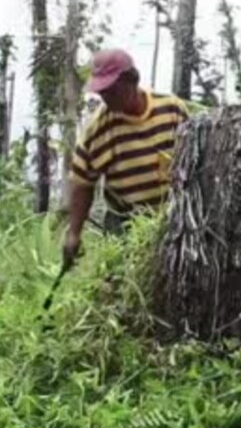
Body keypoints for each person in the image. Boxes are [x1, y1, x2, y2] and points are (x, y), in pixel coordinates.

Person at [62, 49, 189, 269]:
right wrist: (74, 233)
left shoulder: (171, 110)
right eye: (102, 92)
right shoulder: (97, 131)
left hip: (174, 215)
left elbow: (195, 161)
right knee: (121, 281)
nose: (106, 97)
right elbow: (82, 183)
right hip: (126, 222)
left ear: (132, 80)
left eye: (112, 90)